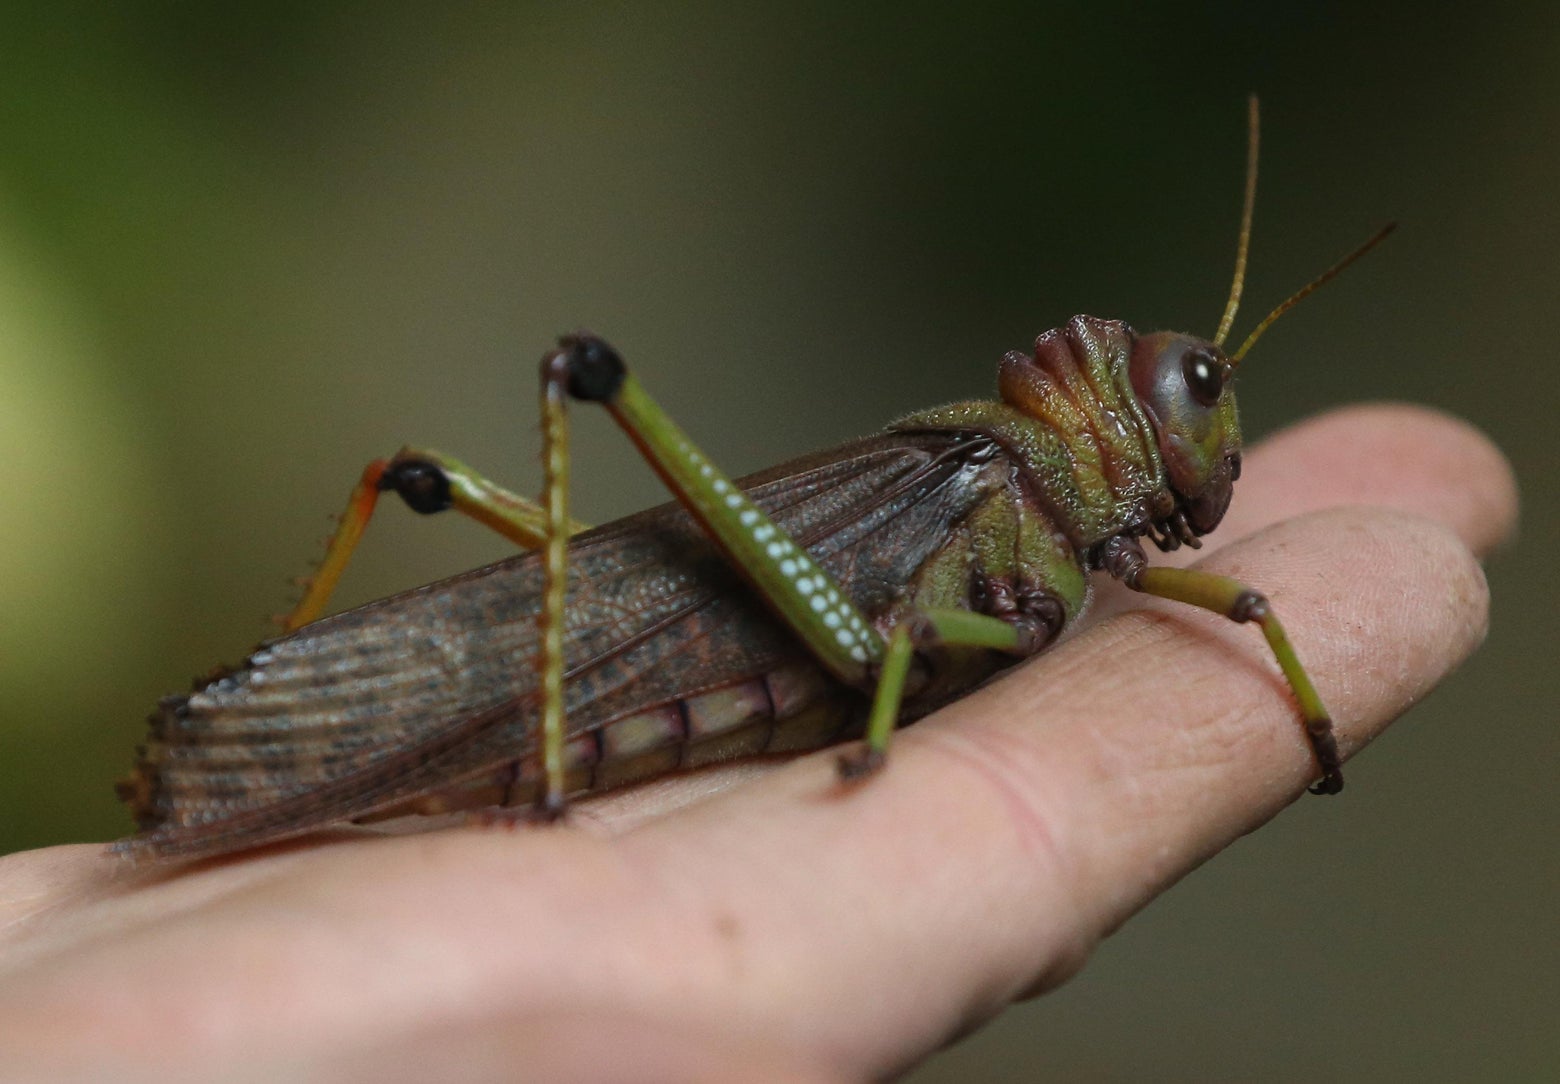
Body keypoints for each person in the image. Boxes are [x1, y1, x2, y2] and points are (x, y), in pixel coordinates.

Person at [0, 405, 1515, 1082]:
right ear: (1125, 419)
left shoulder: (1072, 534)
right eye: (1202, 401)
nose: (1218, 443)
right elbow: (922, 637)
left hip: (794, 654)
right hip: (773, 649)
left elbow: (1238, 605)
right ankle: (263, 738)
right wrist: (873, 723)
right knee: (464, 465)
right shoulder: (998, 478)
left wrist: (1315, 724)